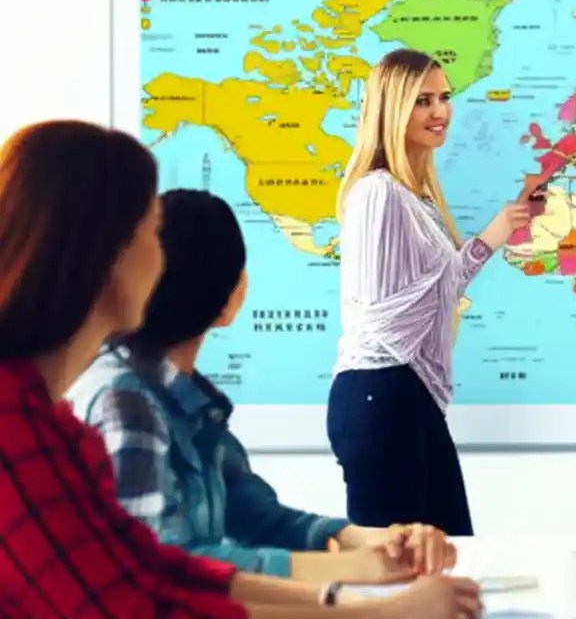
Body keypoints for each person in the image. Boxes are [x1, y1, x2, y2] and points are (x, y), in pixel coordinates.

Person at [0, 120, 480, 617]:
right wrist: (375, 609)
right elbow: (143, 602)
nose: (159, 254)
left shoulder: (57, 425)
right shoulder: (31, 424)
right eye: (148, 229)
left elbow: (158, 567)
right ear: (102, 254)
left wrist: (363, 570)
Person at [68, 189, 456, 583]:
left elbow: (258, 519)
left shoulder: (186, 403)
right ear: (232, 296)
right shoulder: (124, 400)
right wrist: (352, 568)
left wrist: (378, 540)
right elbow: (163, 566)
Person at [329, 48, 532, 535]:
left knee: (452, 557)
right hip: (382, 392)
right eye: (422, 101)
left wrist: (499, 230)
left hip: (406, 394)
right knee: (396, 578)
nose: (439, 112)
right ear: (392, 110)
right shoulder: (378, 193)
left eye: (444, 97)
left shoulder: (412, 196)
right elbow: (384, 318)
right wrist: (475, 249)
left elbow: (438, 288)